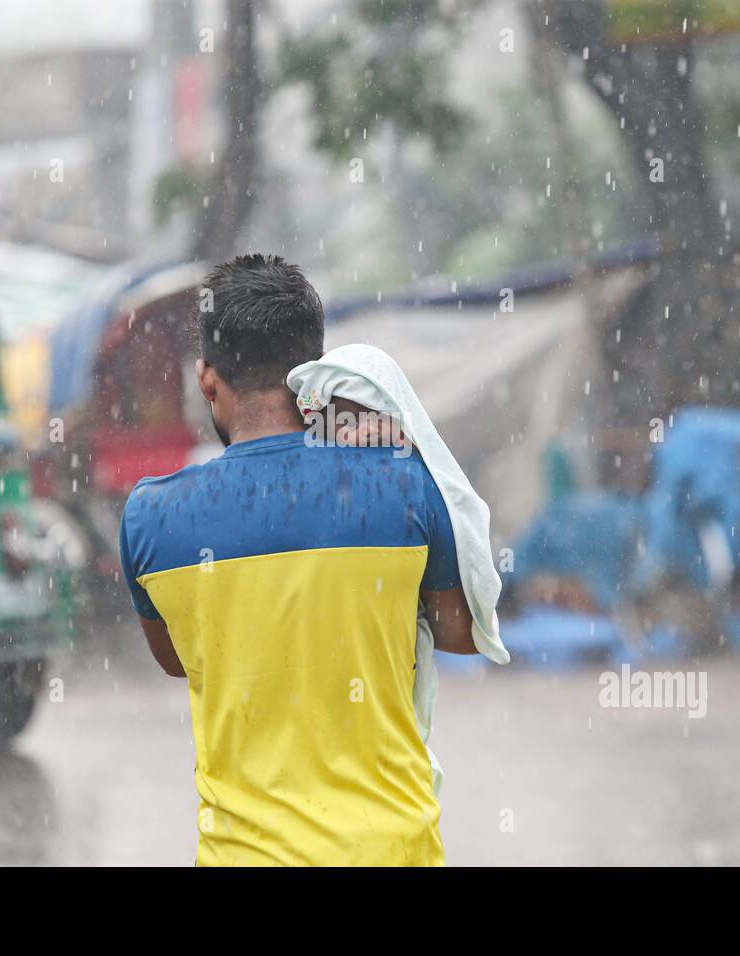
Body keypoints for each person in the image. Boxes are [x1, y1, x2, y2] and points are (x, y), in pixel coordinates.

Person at [118, 253, 477, 866]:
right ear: (313, 370)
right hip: (391, 852)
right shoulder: (404, 486)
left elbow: (178, 658)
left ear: (207, 379)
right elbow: (461, 634)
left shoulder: (153, 519)